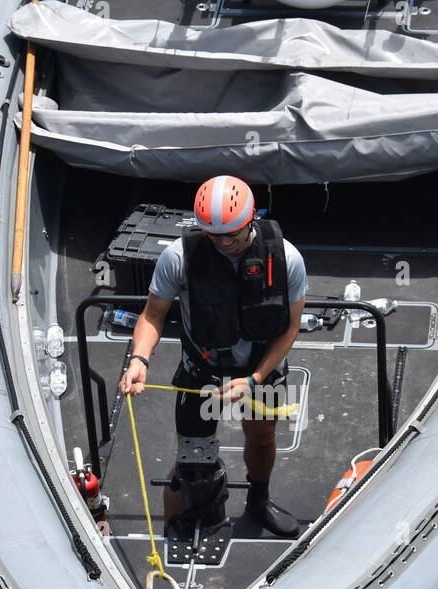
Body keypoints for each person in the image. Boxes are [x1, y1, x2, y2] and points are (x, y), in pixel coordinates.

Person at [117, 175, 307, 538]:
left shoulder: (288, 259)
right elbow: (152, 315)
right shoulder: (178, 258)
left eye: (232, 233)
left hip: (259, 373)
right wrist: (139, 360)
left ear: (250, 219)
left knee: (263, 438)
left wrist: (255, 378)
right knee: (192, 453)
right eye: (213, 234)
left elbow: (289, 329)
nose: (223, 242)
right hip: (201, 372)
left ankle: (259, 500)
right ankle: (193, 515)